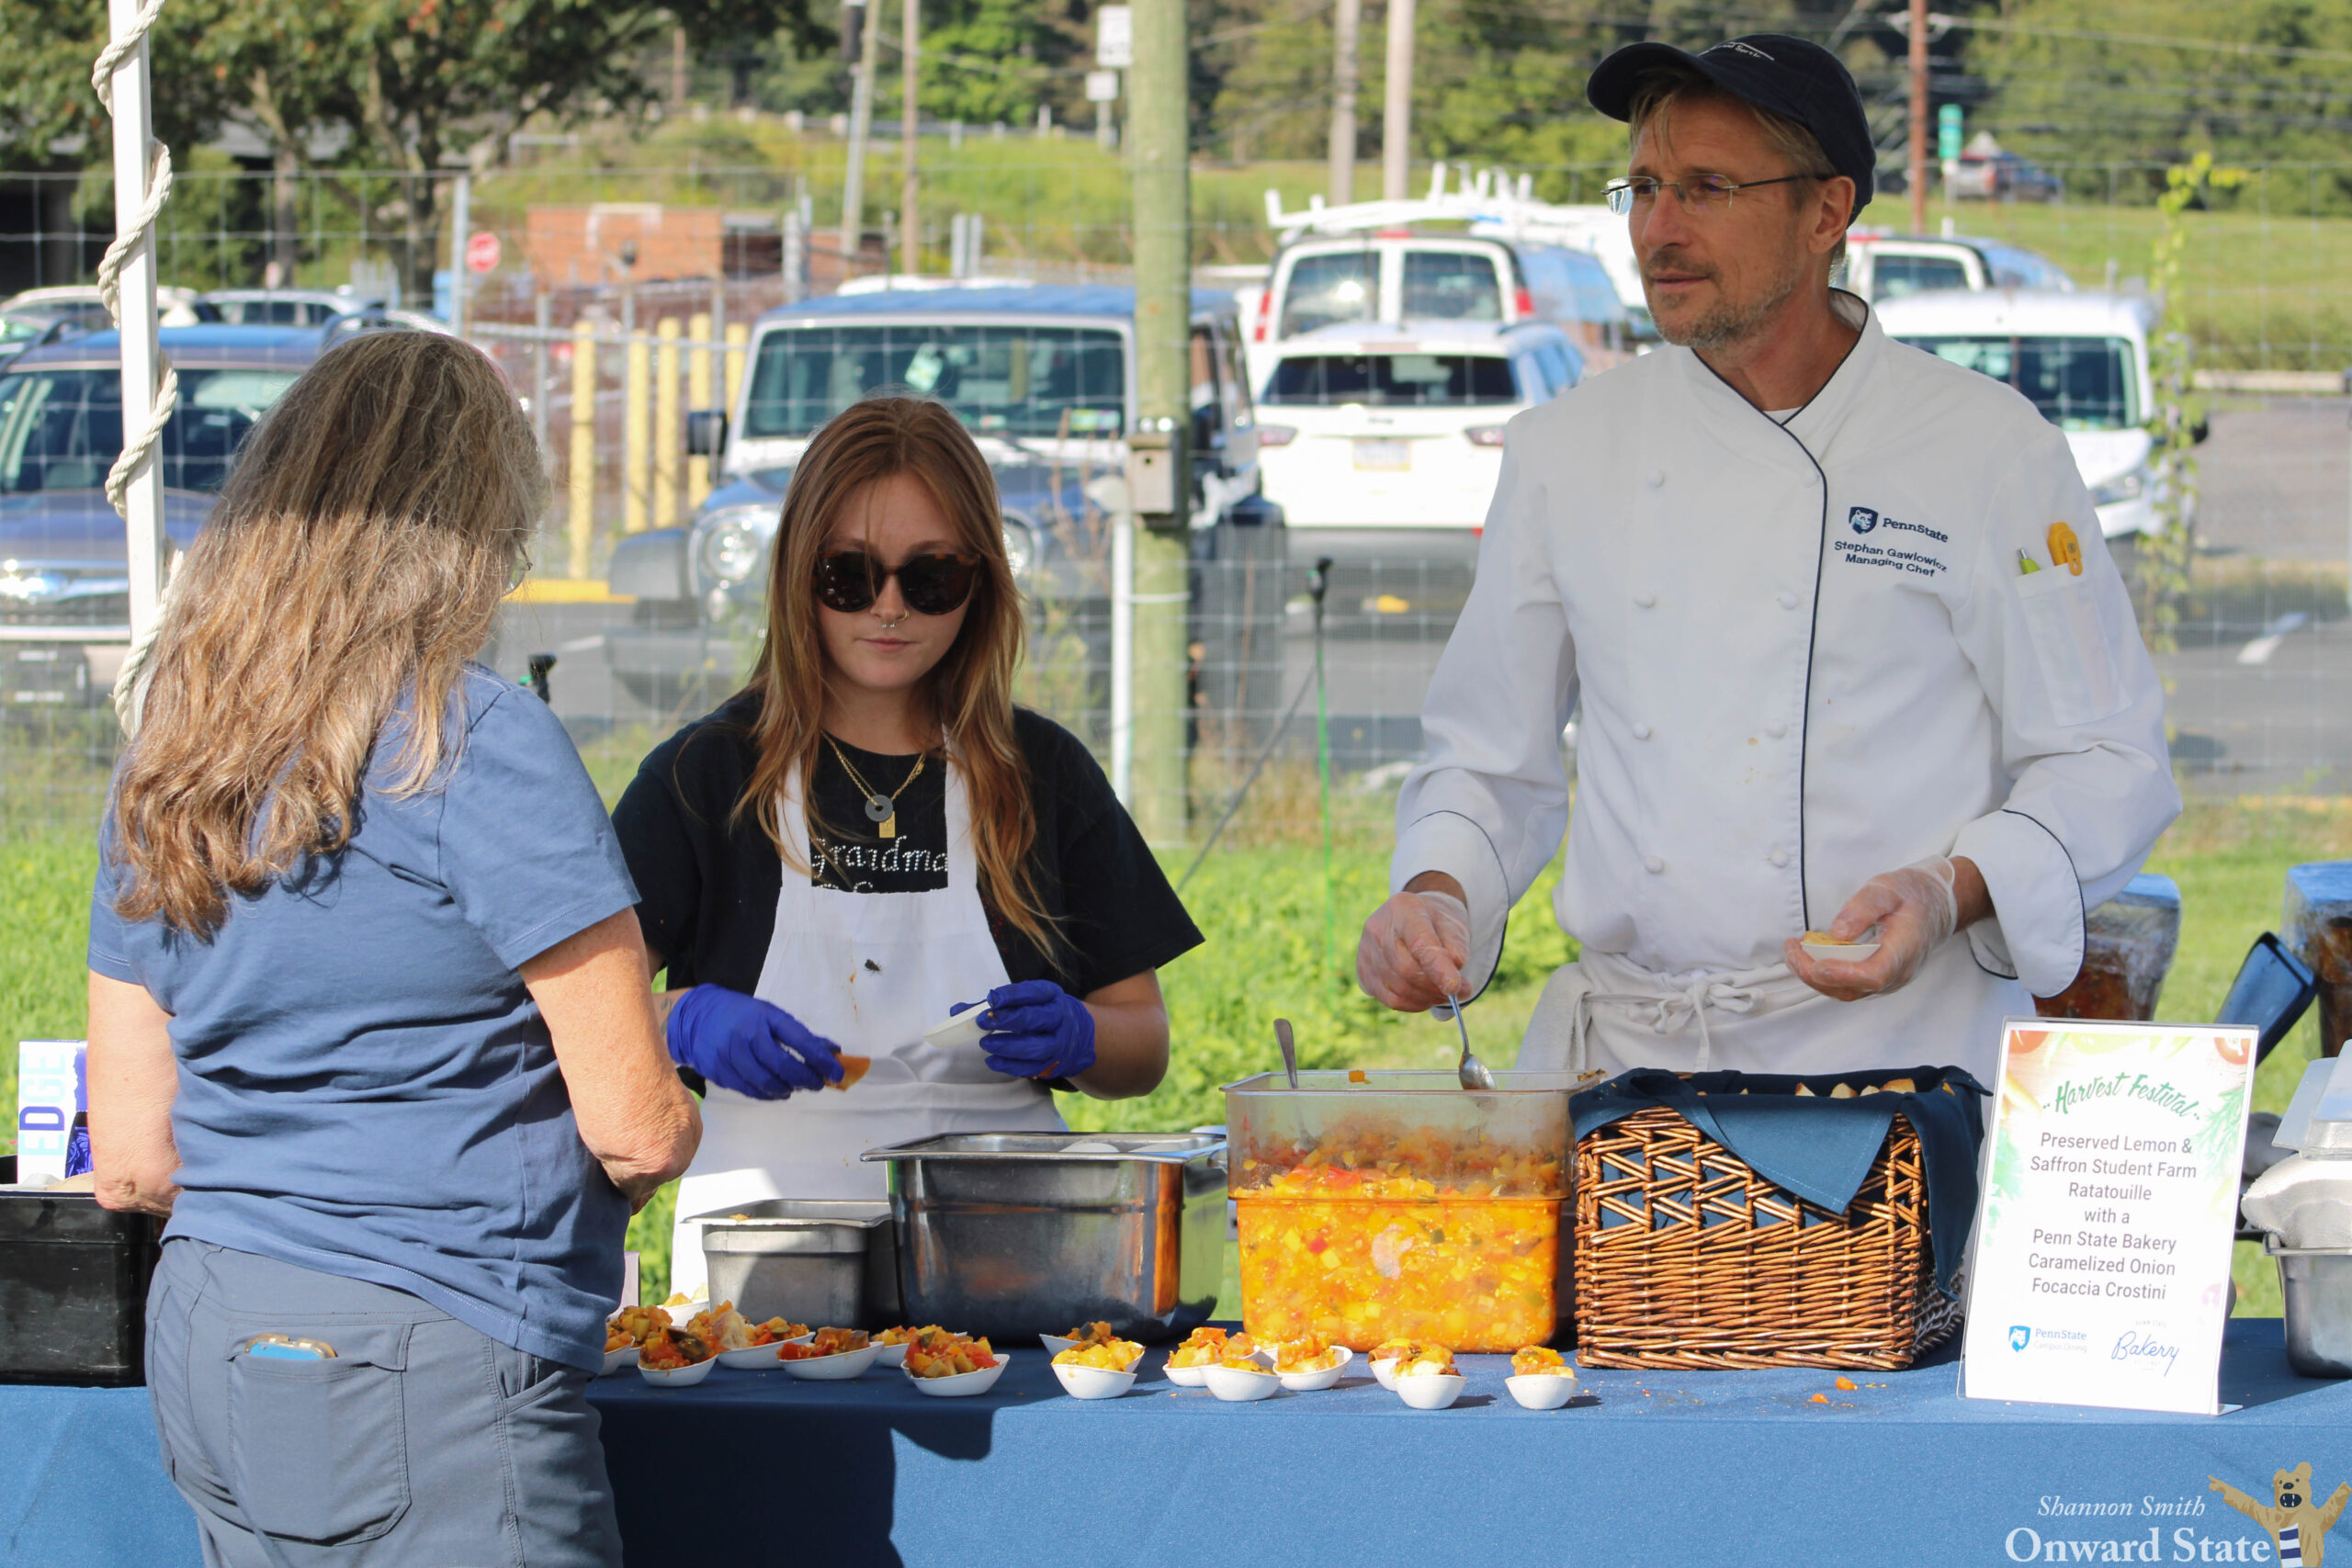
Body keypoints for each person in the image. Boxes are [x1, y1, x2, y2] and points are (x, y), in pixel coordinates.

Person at [1355, 35, 2178, 1083]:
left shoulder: (1986, 450)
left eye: (1706, 188)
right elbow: (1486, 757)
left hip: (1903, 1067)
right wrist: (1437, 892)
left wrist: (1947, 889)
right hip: (1629, 1066)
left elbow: (2106, 760)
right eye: (1645, 187)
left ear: (1825, 213)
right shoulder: (1567, 448)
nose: (1659, 228)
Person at [87, 331, 700, 1568]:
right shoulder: (474, 738)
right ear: (474, 524)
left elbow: (135, 1162)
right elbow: (636, 1122)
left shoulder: (173, 750)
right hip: (432, 1344)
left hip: (210, 1326)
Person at [612, 395, 1202, 1294]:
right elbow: (572, 1025)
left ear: (981, 581)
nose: (889, 609)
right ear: (796, 574)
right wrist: (680, 1020)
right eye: (849, 575)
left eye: (929, 578)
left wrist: (1081, 1036)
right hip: (766, 1256)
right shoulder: (704, 776)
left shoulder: (1042, 772)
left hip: (1007, 1247)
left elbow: (1144, 1043)